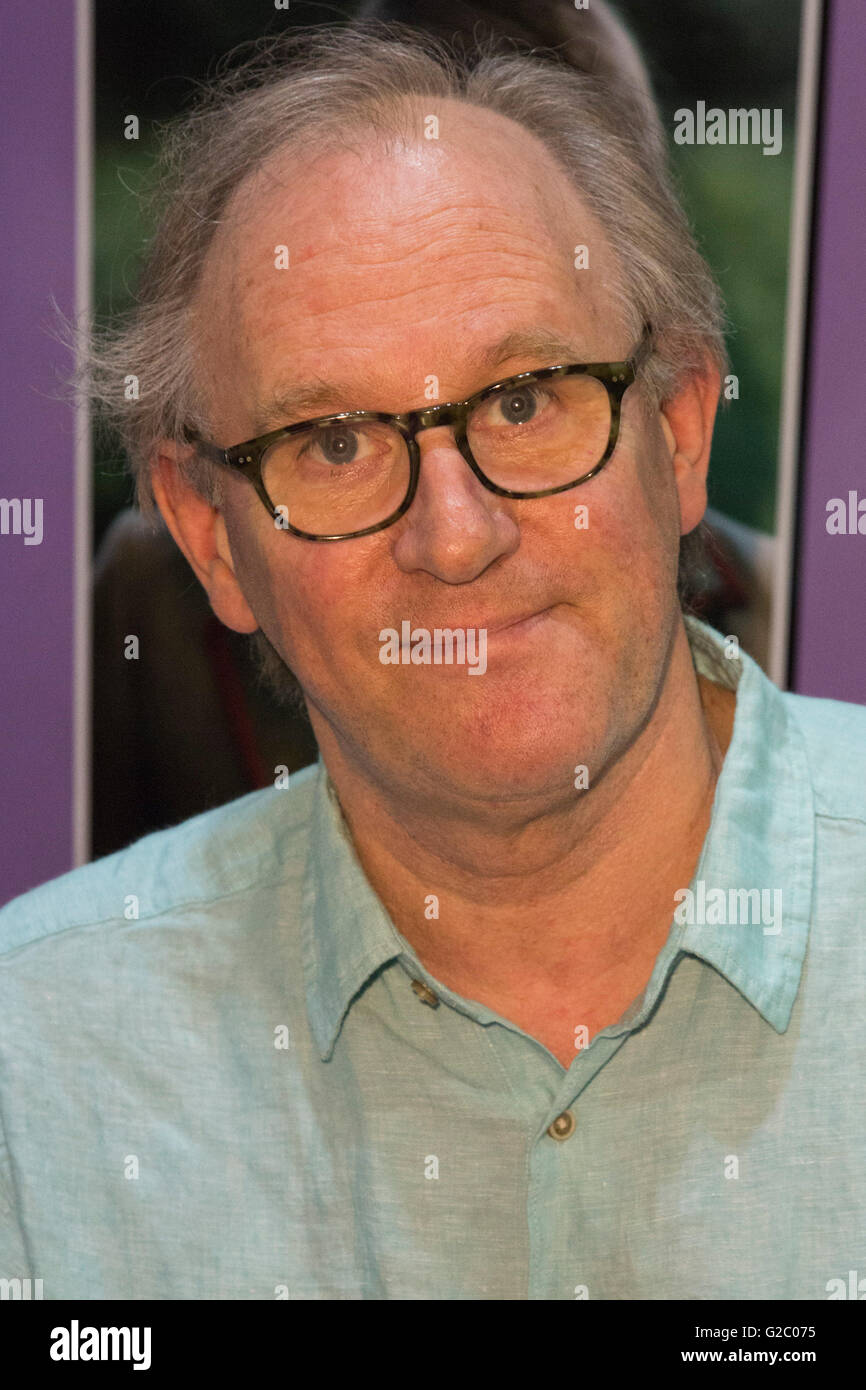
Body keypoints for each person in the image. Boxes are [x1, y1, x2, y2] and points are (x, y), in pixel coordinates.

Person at [1, 16, 864, 1301]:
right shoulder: (42, 1061)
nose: (452, 537)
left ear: (681, 431)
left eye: (523, 401)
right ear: (209, 540)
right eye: (333, 441)